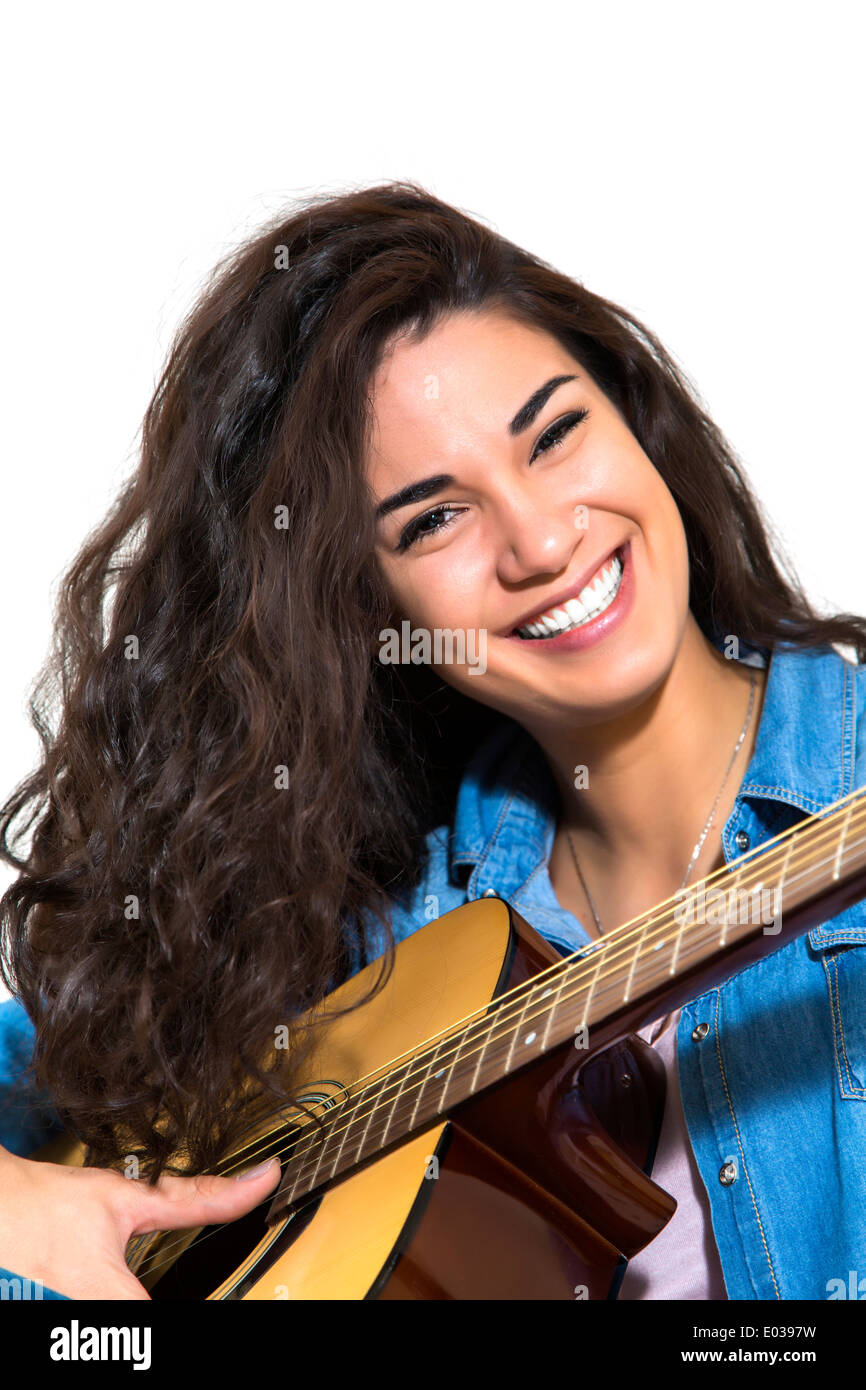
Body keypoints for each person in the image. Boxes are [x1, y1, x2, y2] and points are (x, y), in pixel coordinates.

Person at [2, 180, 865, 1301]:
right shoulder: (373, 934)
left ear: (636, 425)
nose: (541, 539)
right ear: (368, 609)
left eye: (554, 435)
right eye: (434, 518)